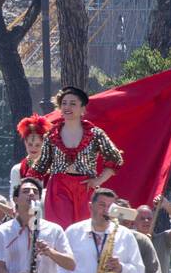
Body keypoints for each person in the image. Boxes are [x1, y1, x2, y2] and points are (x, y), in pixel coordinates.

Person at [28, 86, 123, 228]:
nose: (67, 107)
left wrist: (98, 180)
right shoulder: (52, 135)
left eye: (73, 103)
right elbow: (40, 167)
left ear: (82, 109)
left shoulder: (95, 134)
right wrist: (27, 188)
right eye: (64, 103)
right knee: (62, 229)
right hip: (59, 188)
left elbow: (115, 158)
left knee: (84, 230)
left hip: (85, 188)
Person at [9, 114, 50, 196]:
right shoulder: (17, 170)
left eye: (38, 145)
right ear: (25, 143)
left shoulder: (53, 169)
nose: (33, 148)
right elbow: (14, 198)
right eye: (30, 144)